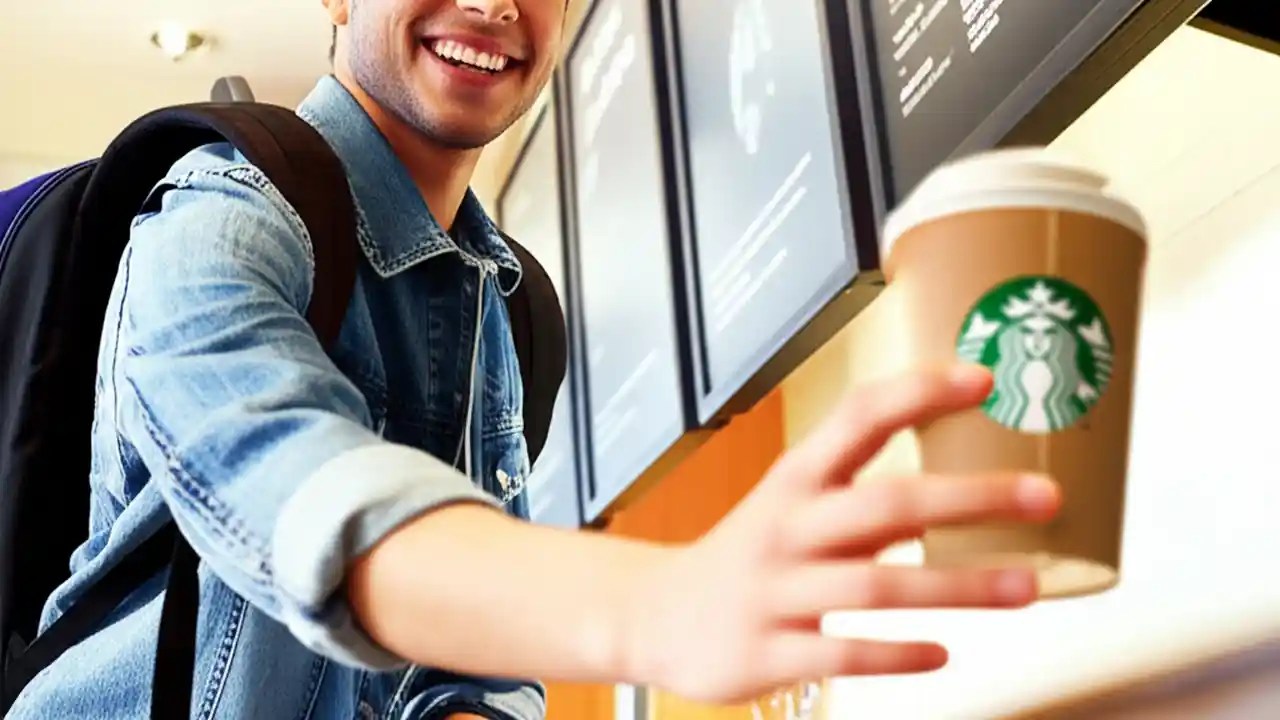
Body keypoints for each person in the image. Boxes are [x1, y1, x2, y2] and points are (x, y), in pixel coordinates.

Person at [6, 0, 1062, 717]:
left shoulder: (508, 304)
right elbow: (282, 481)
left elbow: (460, 667)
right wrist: (654, 606)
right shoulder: (222, 212)